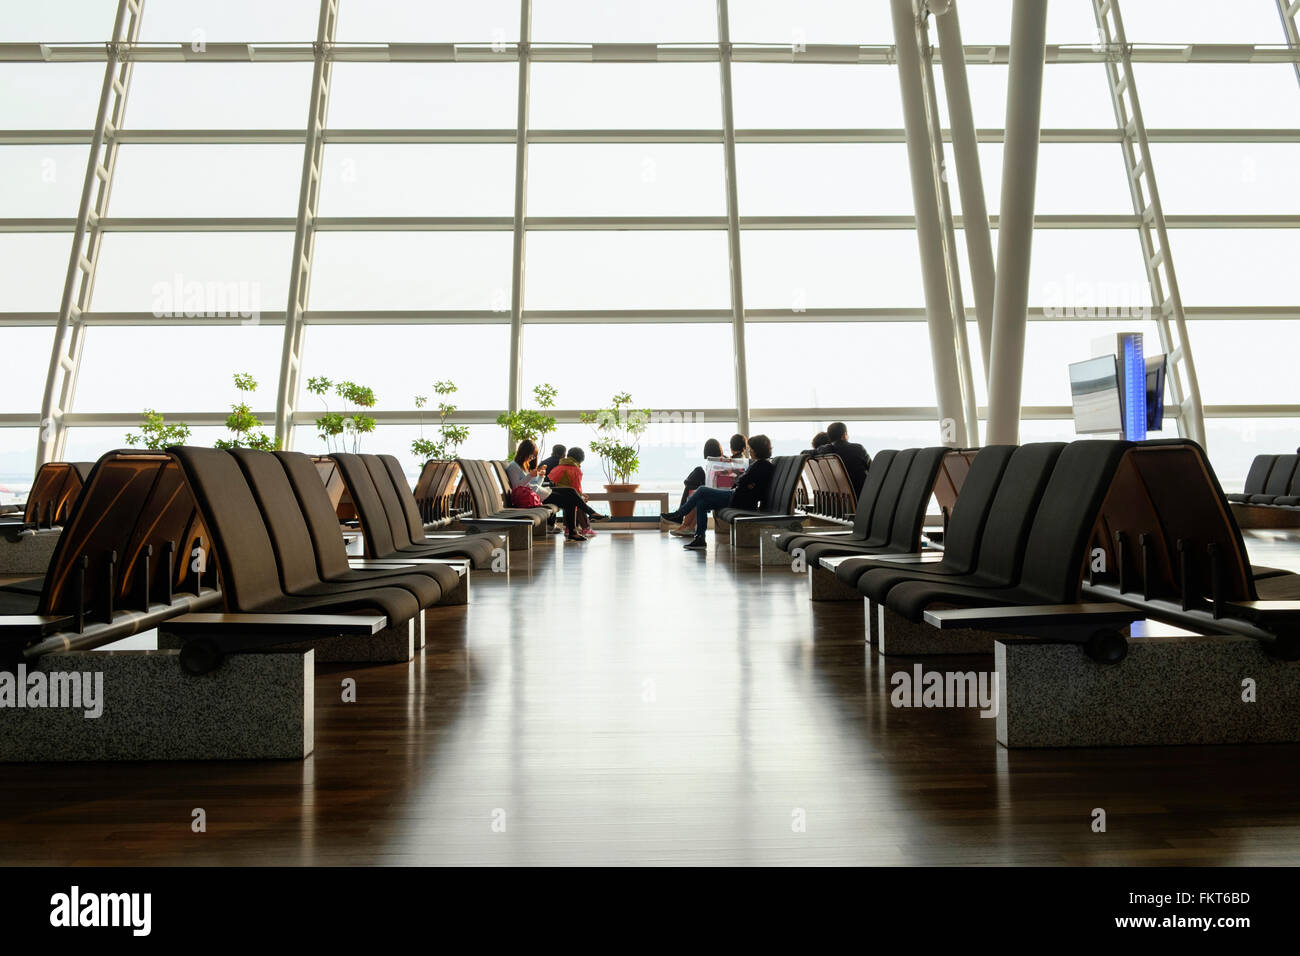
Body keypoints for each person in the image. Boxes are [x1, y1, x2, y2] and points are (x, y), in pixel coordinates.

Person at [660, 435, 774, 551]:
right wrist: (744, 482)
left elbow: (744, 481)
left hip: (739, 499)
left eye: (751, 449)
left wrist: (744, 482)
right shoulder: (760, 464)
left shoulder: (763, 465)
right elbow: (744, 481)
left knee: (702, 490)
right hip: (737, 496)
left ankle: (679, 514)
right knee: (701, 503)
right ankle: (700, 538)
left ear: (757, 450)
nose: (750, 451)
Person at [506, 440, 607, 542]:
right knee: (570, 499)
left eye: (533, 457)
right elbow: (516, 488)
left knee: (570, 491)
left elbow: (534, 484)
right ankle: (577, 527)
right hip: (534, 496)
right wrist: (530, 476)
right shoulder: (513, 467)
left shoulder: (523, 466)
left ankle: (587, 518)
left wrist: (540, 476)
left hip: (538, 492)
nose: (531, 459)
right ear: (525, 452)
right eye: (531, 456)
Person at [668, 438, 724, 538]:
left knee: (697, 475)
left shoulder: (723, 462)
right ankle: (687, 526)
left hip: (717, 492)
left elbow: (719, 483)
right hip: (713, 490)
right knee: (695, 489)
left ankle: (684, 522)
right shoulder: (719, 462)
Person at [548, 446, 597, 538]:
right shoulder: (575, 470)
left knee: (574, 500)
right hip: (565, 495)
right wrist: (581, 496)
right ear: (581, 459)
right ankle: (585, 527)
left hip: (553, 494)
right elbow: (575, 488)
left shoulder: (558, 467)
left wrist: (581, 495)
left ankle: (568, 528)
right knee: (577, 501)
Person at [811, 421, 871, 496]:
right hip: (861, 493)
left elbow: (804, 453)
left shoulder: (825, 453)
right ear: (844, 435)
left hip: (840, 497)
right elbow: (873, 470)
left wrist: (825, 448)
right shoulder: (858, 448)